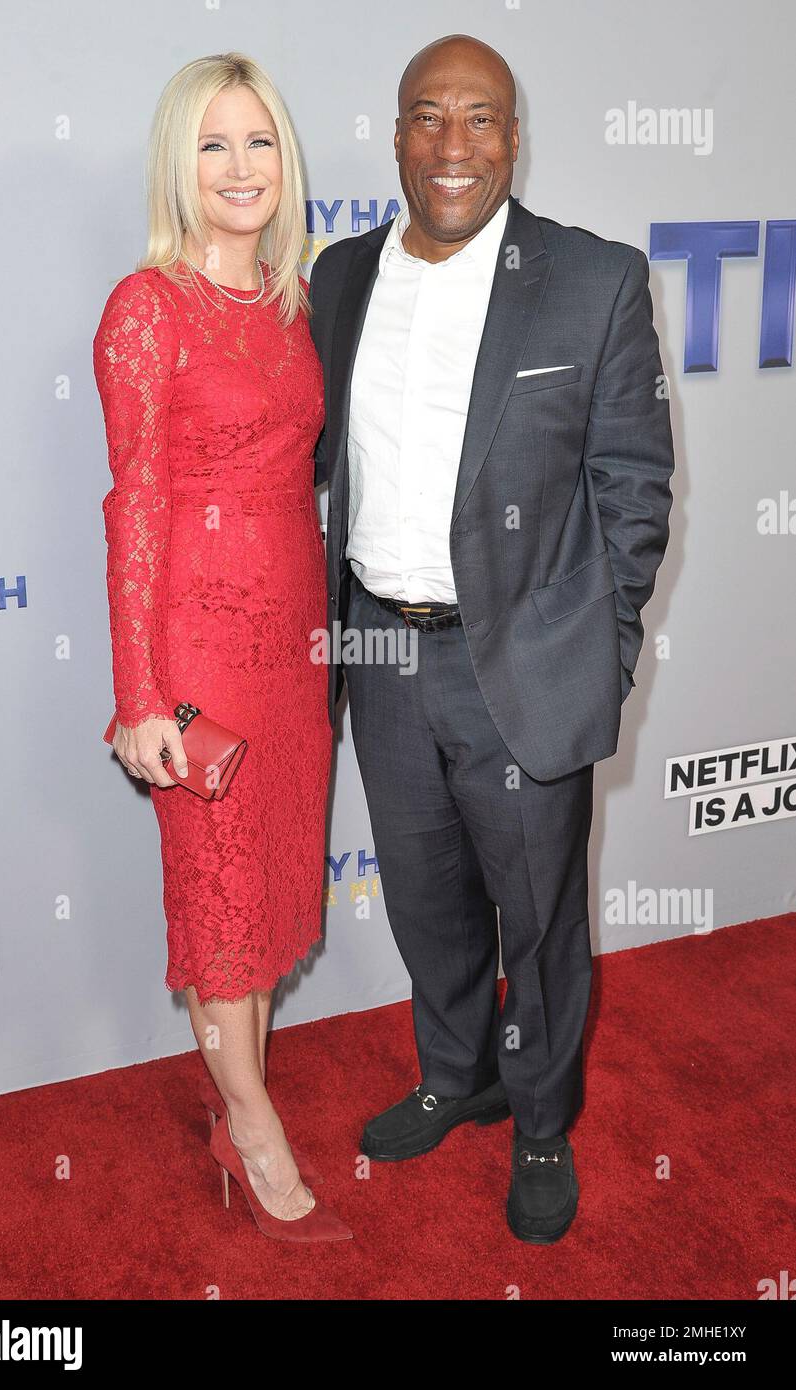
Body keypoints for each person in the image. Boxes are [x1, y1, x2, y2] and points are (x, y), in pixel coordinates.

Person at [307, 33, 674, 1243]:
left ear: (513, 138)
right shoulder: (341, 277)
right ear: (396, 133)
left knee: (540, 918)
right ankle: (455, 1071)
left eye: (479, 119)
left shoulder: (593, 278)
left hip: (522, 657)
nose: (452, 146)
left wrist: (603, 645)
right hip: (381, 652)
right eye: (427, 117)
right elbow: (322, 473)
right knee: (426, 900)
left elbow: (631, 486)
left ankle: (538, 1121)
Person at [94, 52, 351, 1243]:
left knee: (260, 895)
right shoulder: (145, 309)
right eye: (212, 144)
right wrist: (142, 695)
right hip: (195, 652)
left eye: (257, 143)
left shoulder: (292, 301)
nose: (239, 167)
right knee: (217, 908)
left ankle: (236, 1093)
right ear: (177, 167)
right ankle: (248, 1116)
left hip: (296, 650)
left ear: (283, 162)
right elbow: (134, 503)